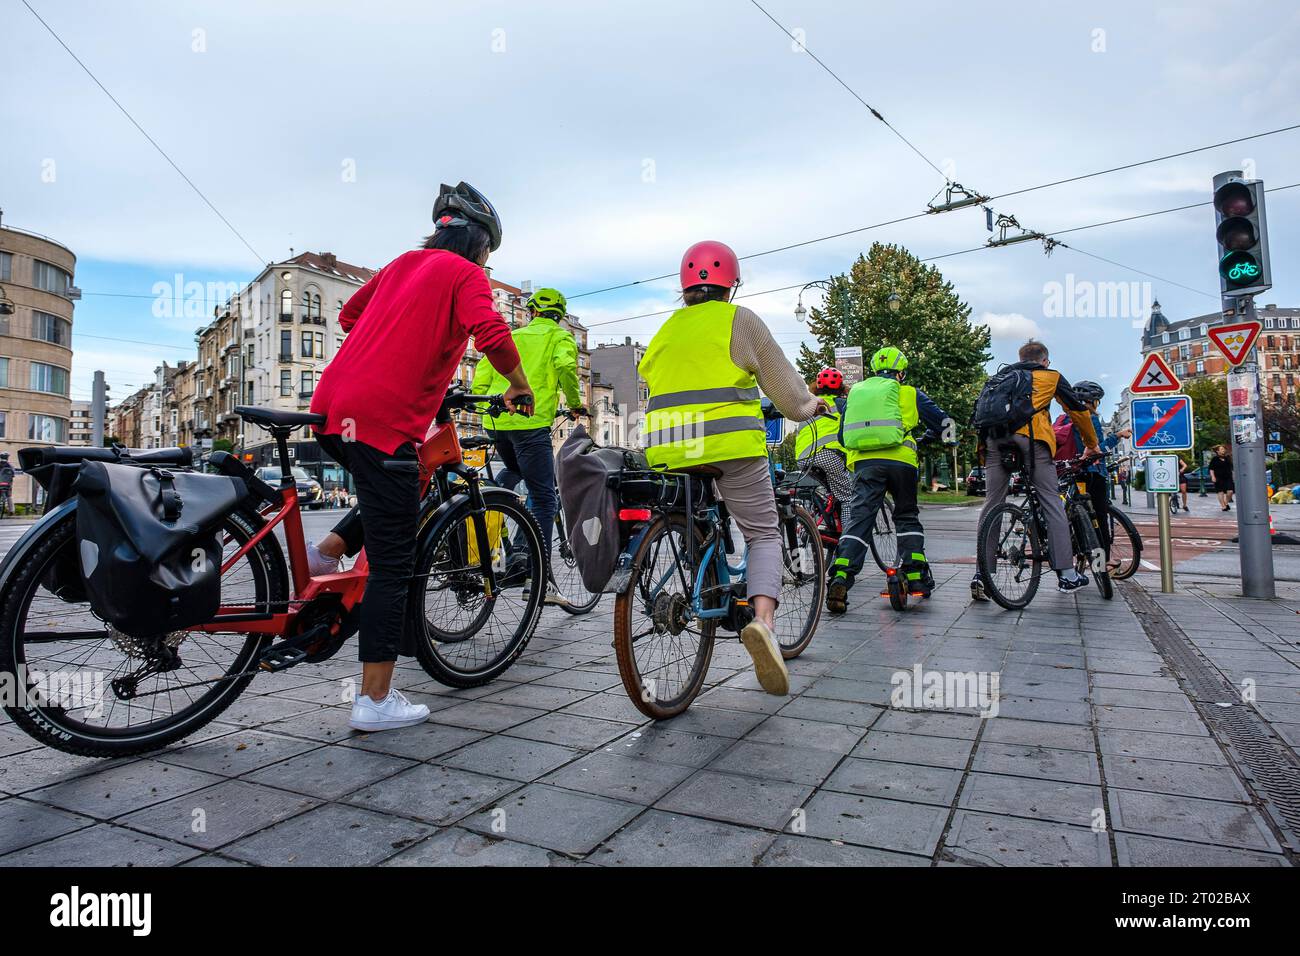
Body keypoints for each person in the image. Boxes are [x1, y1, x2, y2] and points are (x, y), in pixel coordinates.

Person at [306, 181, 532, 732]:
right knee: (395, 564)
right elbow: (491, 331)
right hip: (381, 418)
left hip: (333, 407)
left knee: (397, 500)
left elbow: (349, 317)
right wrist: (519, 383)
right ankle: (374, 701)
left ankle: (326, 551)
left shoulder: (403, 262)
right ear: (480, 246)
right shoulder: (466, 275)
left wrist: (401, 337)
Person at [639, 240, 828, 696]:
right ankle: (762, 623)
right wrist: (809, 406)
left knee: (702, 512)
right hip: (729, 446)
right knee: (763, 532)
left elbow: (651, 375)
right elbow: (784, 388)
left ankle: (701, 574)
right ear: (732, 284)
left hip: (667, 448)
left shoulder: (666, 329)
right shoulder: (739, 320)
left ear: (684, 288)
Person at [471, 287, 585, 604]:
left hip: (496, 422)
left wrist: (483, 406)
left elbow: (483, 371)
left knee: (512, 472)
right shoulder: (559, 338)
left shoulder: (515, 336)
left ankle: (508, 528)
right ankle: (539, 578)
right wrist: (575, 404)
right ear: (559, 317)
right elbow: (564, 368)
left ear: (532, 312)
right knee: (545, 497)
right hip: (530, 421)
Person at [971, 339, 1100, 600]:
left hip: (994, 440)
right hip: (1031, 440)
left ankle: (981, 574)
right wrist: (1091, 445)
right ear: (1045, 360)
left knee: (992, 503)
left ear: (1020, 357)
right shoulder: (1050, 376)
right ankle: (1067, 574)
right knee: (1050, 500)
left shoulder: (1001, 376)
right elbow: (1078, 412)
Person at [825, 347, 950, 614]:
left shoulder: (855, 393)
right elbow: (943, 423)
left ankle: (841, 577)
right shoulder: (909, 393)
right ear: (901, 372)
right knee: (906, 516)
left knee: (859, 520)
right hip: (902, 462)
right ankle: (915, 574)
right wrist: (927, 438)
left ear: (873, 370)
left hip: (864, 465)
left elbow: (842, 437)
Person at [1060, 380, 1129, 568]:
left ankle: (1077, 555)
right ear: (1093, 402)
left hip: (1071, 473)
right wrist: (1119, 435)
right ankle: (1103, 562)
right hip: (1092, 472)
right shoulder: (1090, 418)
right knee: (1099, 518)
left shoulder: (1065, 418)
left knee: (1076, 517)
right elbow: (1098, 448)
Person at [794, 367, 854, 531]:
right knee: (848, 497)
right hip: (829, 455)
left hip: (803, 456)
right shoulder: (843, 404)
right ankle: (848, 543)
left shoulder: (810, 404)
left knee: (830, 492)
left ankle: (821, 515)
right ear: (842, 388)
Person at [1209, 445, 1235, 511]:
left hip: (1228, 477)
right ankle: (1223, 506)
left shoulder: (1227, 458)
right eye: (1222, 449)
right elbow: (1211, 469)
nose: (1223, 450)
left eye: (1224, 449)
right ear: (1217, 451)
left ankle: (1226, 503)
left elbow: (1231, 468)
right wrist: (1213, 477)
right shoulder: (1214, 459)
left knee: (1230, 491)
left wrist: (1233, 476)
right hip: (1218, 477)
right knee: (1220, 492)